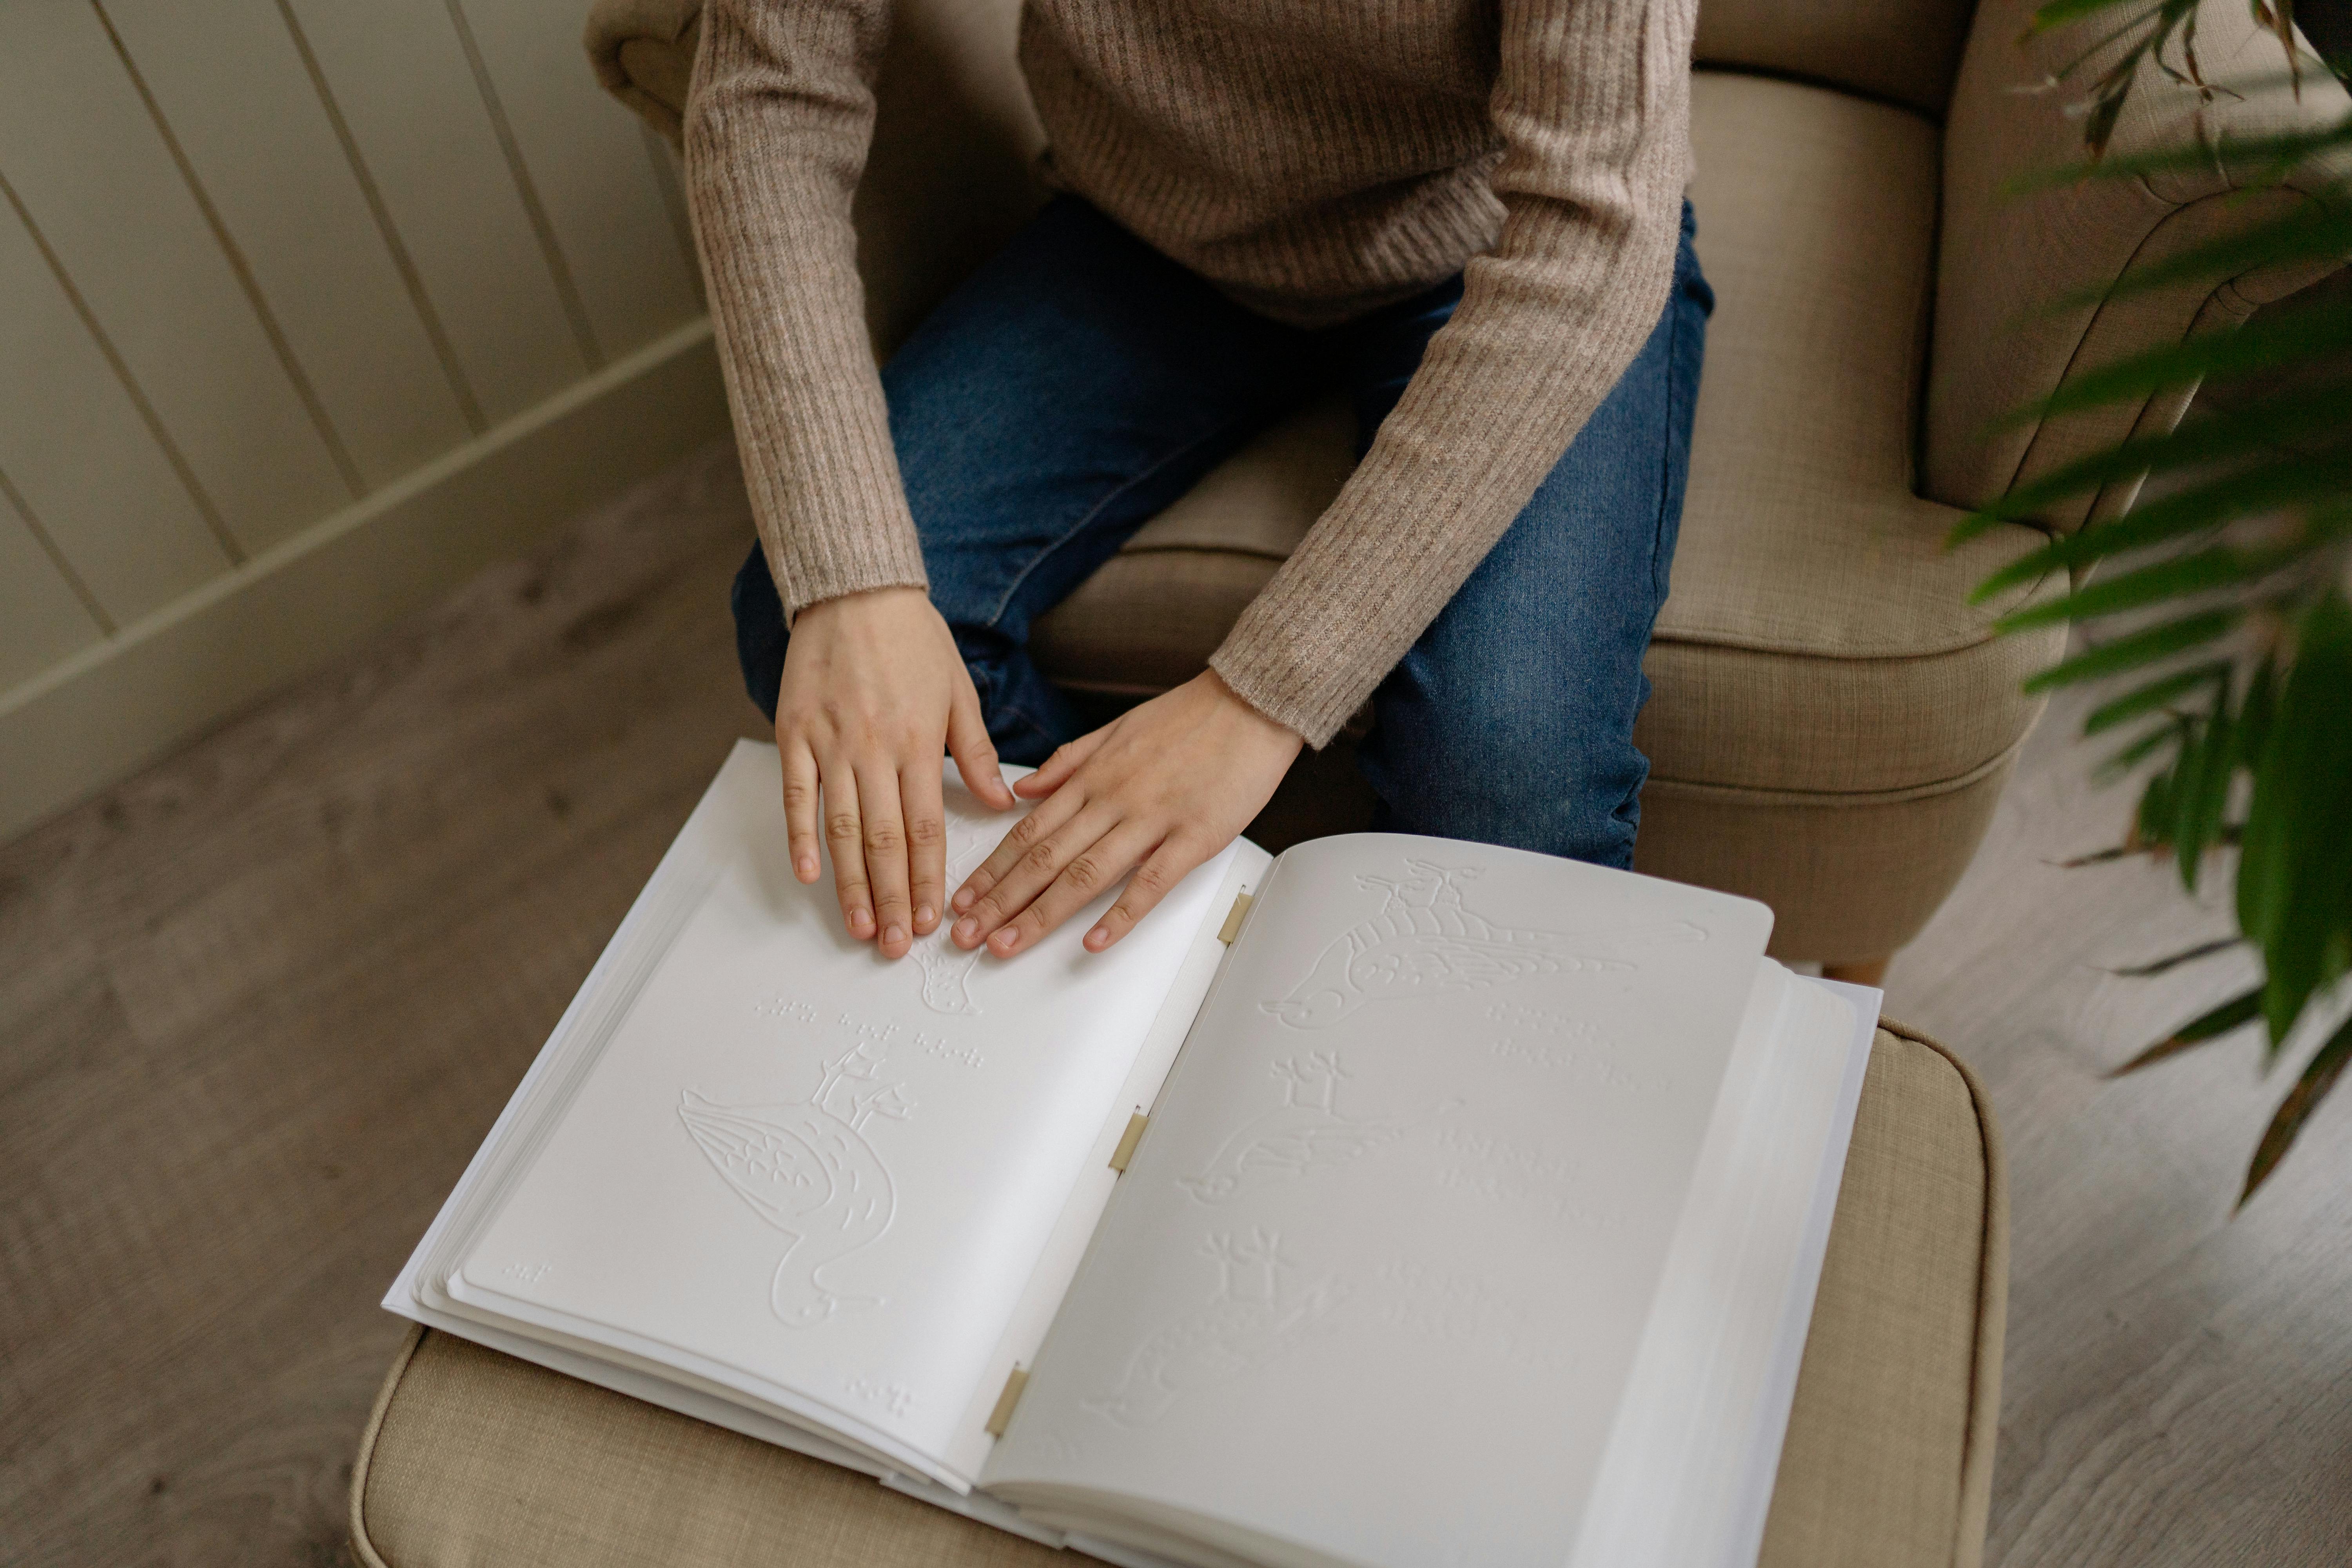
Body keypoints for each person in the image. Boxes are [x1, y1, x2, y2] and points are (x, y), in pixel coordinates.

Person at [691, 0, 1711, 964]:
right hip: (1150, 231)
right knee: (804, 624)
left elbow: (1594, 220)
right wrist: (853, 577)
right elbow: (770, 96)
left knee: (1506, 780)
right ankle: (1135, 994)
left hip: (1508, 244)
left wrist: (1259, 696)